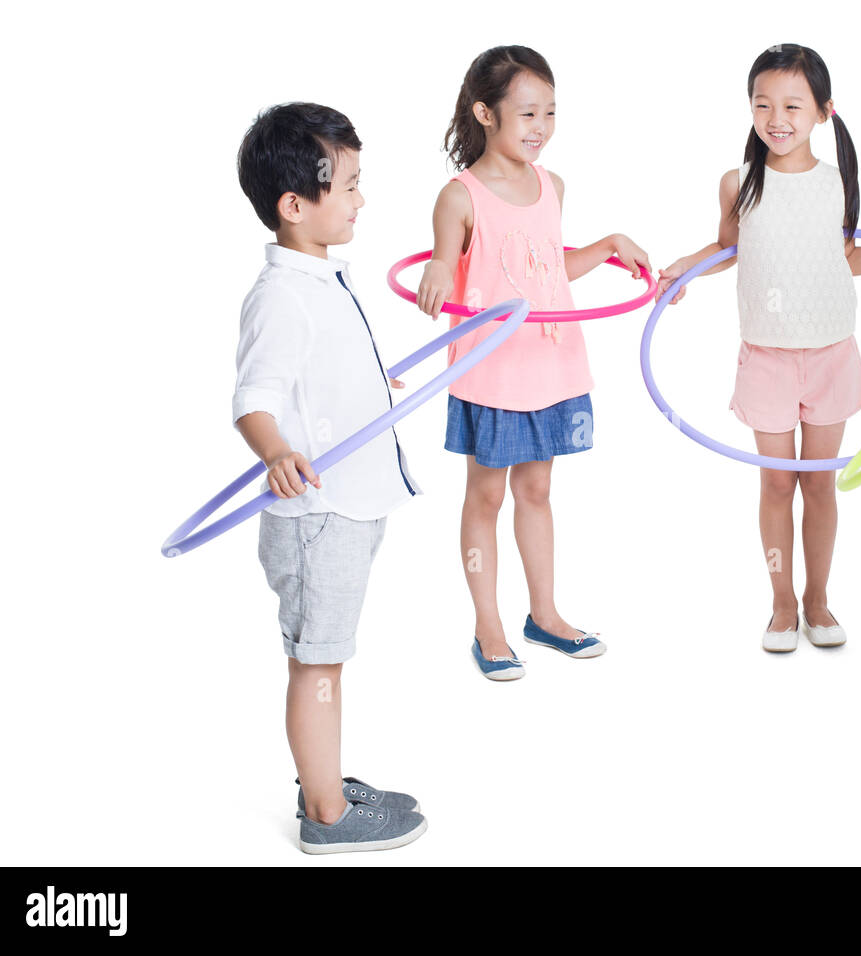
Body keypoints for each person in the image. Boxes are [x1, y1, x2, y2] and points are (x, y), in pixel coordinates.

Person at [656, 42, 861, 653]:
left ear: (823, 111)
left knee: (820, 485)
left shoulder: (836, 183)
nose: (776, 118)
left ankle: (819, 599)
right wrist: (682, 270)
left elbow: (846, 257)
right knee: (778, 484)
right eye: (763, 104)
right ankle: (782, 603)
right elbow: (726, 252)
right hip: (769, 358)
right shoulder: (740, 182)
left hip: (832, 354)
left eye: (792, 105)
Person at [417, 46, 651, 681]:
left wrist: (603, 249)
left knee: (538, 488)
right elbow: (449, 264)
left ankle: (544, 614)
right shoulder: (459, 196)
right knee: (487, 493)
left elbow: (545, 269)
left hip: (549, 365)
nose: (540, 127)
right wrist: (440, 267)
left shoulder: (553, 186)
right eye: (527, 114)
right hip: (493, 370)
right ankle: (486, 623)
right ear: (485, 113)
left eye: (550, 113)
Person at [235, 102, 426, 852]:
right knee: (321, 663)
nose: (360, 198)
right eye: (347, 184)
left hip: (348, 508)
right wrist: (277, 452)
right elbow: (254, 399)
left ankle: (325, 777)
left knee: (326, 657)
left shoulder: (320, 277)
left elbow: (327, 375)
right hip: (320, 515)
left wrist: (377, 391)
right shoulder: (282, 295)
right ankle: (325, 815)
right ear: (295, 205)